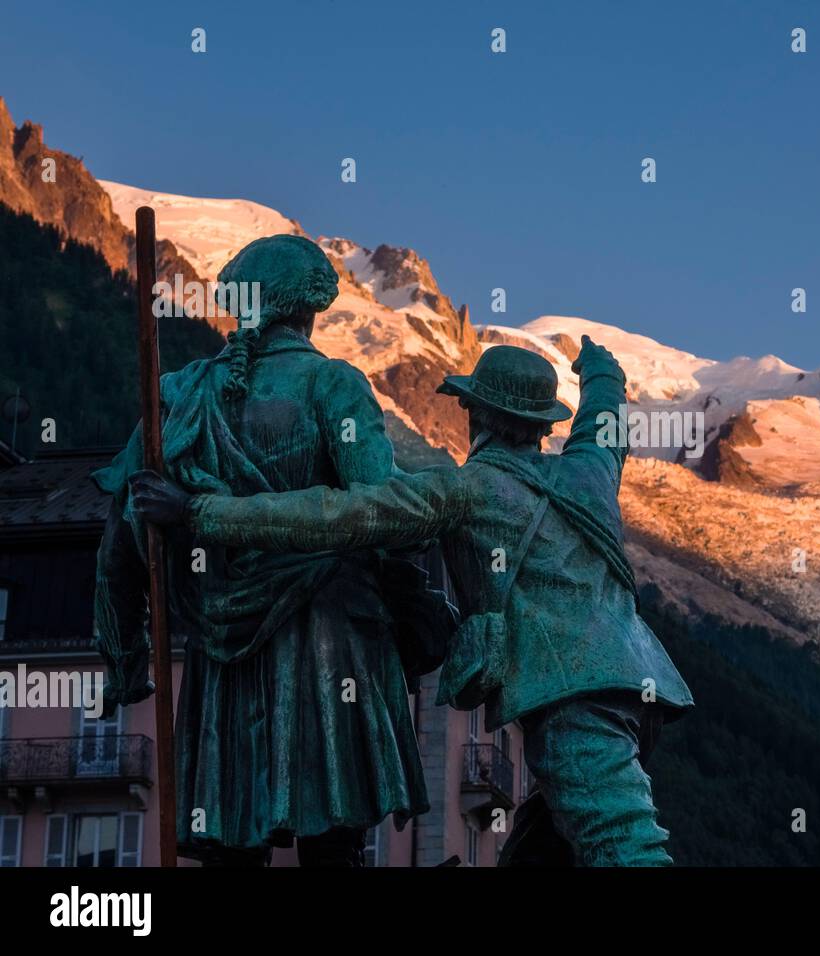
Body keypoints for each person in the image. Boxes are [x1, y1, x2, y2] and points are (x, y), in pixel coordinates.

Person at [131, 337, 694, 866]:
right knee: (538, 853)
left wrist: (198, 512)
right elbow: (605, 420)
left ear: (476, 416)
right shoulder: (589, 473)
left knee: (622, 844)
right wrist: (600, 370)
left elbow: (333, 515)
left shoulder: (460, 491)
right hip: (639, 692)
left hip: (573, 698)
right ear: (542, 424)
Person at [94, 234, 448, 866]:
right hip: (330, 638)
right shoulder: (334, 384)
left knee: (230, 842)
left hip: (224, 655)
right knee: (333, 841)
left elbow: (122, 536)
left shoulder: (178, 396)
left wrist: (125, 660)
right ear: (308, 310)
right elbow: (379, 509)